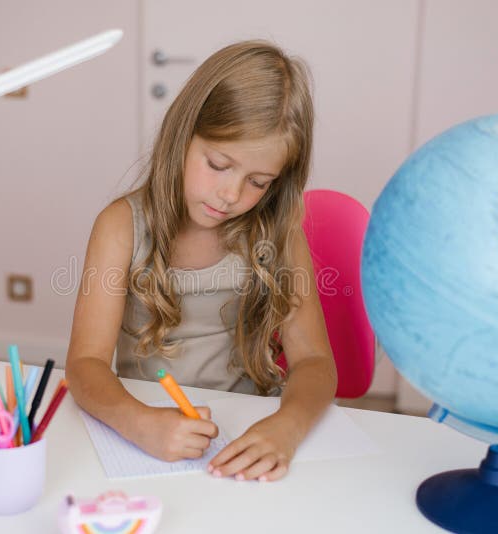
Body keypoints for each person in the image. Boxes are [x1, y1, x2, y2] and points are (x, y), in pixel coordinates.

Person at [65, 40, 336, 482]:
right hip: (149, 431)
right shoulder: (121, 227)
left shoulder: (277, 234)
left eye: (257, 181)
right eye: (218, 164)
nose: (231, 195)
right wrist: (138, 422)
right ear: (183, 134)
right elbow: (84, 366)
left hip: (244, 434)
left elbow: (315, 362)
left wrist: (288, 426)